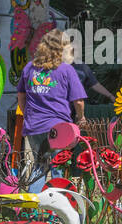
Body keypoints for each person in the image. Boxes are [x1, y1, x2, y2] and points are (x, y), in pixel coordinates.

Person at [16, 29, 87, 191]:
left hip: (34, 126)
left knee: (40, 166)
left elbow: (20, 96)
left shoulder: (29, 68)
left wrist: (28, 113)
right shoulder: (66, 70)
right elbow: (79, 102)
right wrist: (80, 117)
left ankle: (32, 209)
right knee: (57, 167)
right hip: (58, 128)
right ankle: (57, 212)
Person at [61, 34, 115, 103]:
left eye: (77, 49)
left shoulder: (82, 67)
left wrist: (110, 96)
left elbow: (94, 84)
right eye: (73, 49)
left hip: (76, 107)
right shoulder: (56, 66)